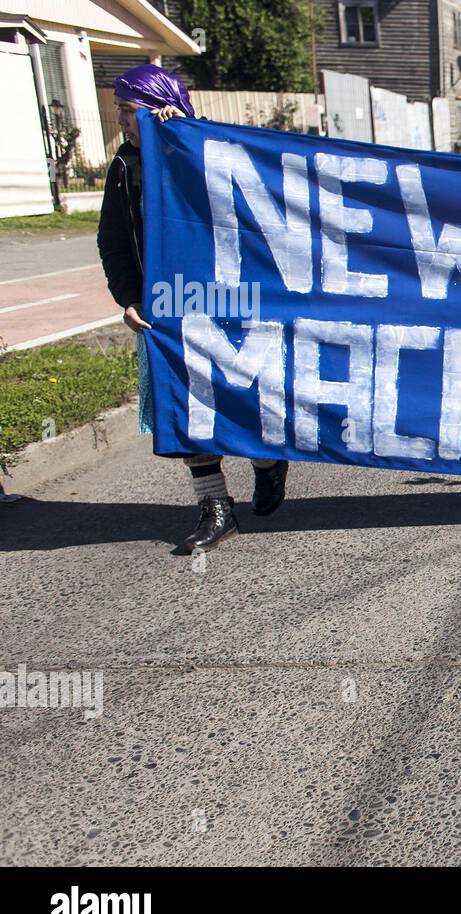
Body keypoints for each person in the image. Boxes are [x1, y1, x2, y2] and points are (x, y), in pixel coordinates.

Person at [98, 64, 290, 555]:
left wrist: (178, 134)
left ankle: (267, 464)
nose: (121, 118)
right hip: (168, 310)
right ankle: (216, 508)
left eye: (129, 108)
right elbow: (115, 240)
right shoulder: (123, 170)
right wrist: (129, 297)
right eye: (119, 109)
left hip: (228, 303)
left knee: (240, 398)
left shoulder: (205, 151)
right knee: (185, 407)